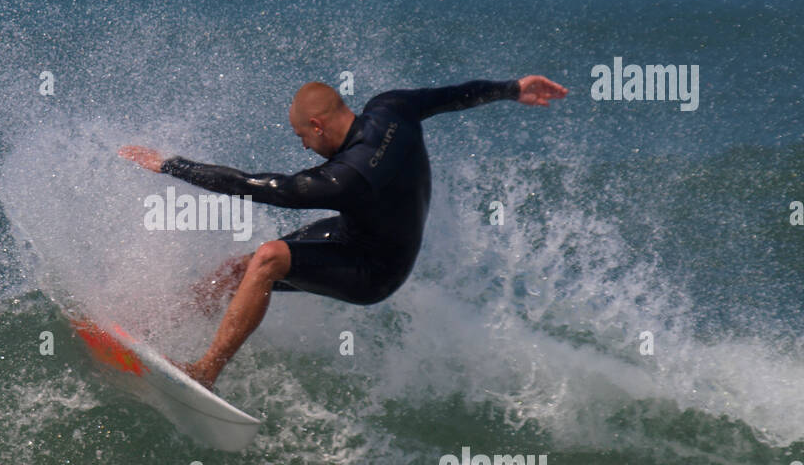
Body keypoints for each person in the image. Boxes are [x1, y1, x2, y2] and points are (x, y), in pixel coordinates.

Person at [118, 75, 567, 388]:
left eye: (302, 137)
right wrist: (512, 89)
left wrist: (169, 164)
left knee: (270, 257)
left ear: (317, 124)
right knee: (245, 267)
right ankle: (151, 327)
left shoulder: (344, 178)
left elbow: (250, 185)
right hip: (356, 232)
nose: (303, 145)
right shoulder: (392, 107)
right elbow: (454, 95)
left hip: (376, 270)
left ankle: (206, 371)